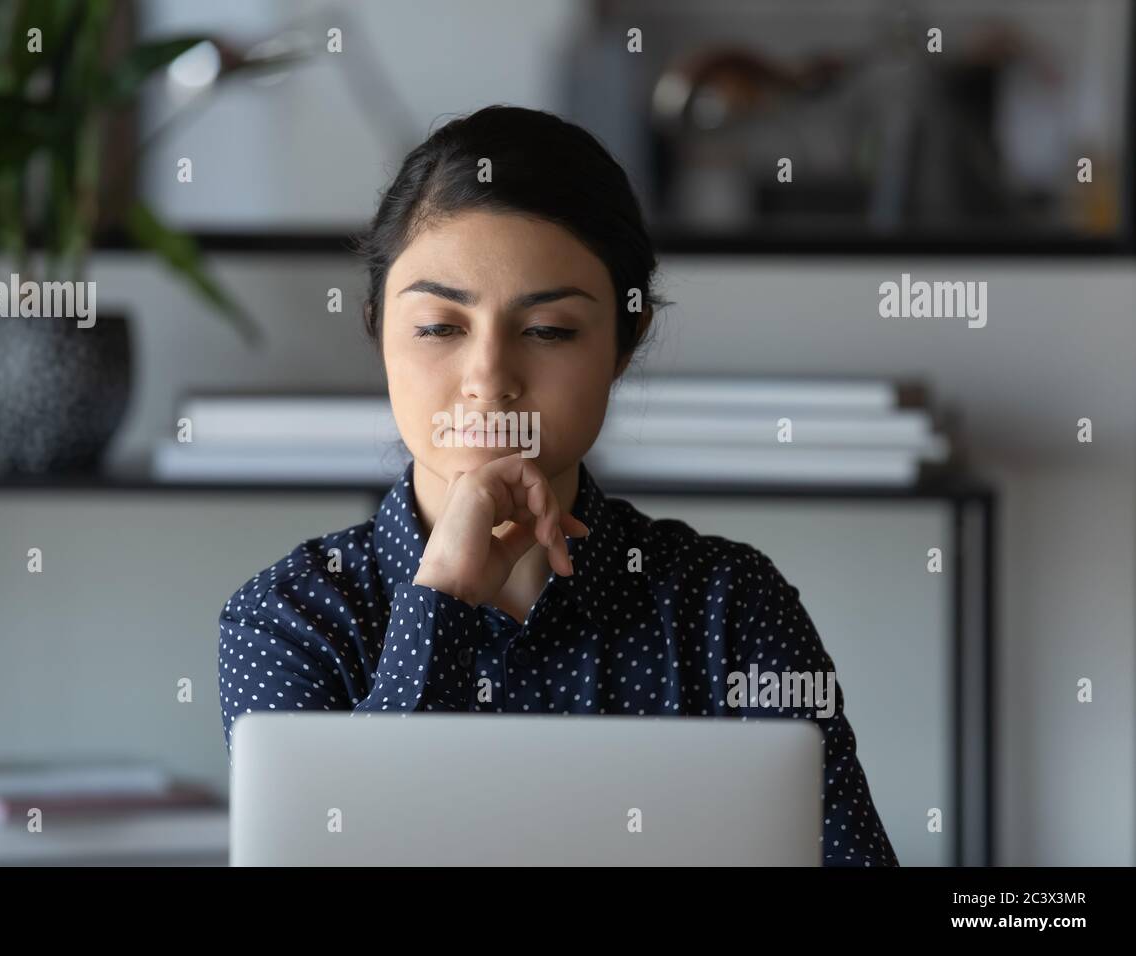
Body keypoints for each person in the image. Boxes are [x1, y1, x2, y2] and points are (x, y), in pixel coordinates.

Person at [218, 104, 898, 866]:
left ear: (624, 342)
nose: (489, 380)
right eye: (440, 327)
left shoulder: (729, 607)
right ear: (377, 327)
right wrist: (440, 596)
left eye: (548, 331)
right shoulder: (290, 619)